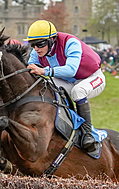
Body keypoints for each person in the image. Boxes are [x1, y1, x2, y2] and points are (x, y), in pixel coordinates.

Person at [26, 20, 105, 153]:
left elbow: (71, 70)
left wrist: (45, 71)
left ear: (52, 39)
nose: (36, 49)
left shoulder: (70, 42)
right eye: (33, 45)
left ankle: (88, 134)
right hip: (67, 81)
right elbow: (30, 69)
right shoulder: (36, 52)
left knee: (78, 92)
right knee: (48, 86)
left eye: (40, 44)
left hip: (92, 77)